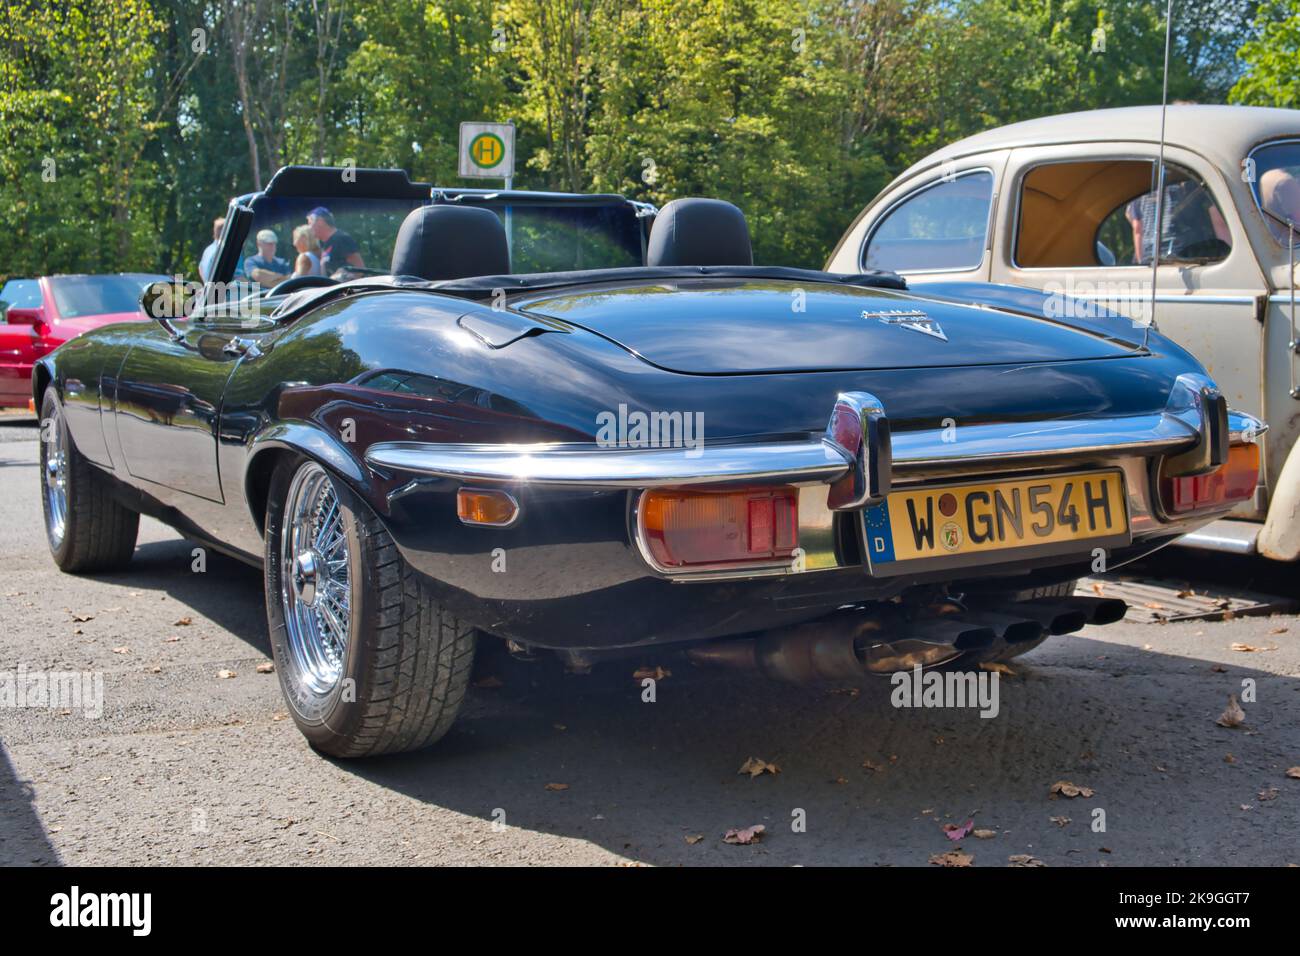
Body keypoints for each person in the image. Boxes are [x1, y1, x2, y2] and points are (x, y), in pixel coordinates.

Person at [308, 207, 364, 275]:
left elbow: (359, 269)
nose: (309, 228)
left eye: (310, 223)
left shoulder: (341, 239)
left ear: (320, 221)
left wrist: (340, 280)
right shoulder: (324, 244)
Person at [198, 217, 225, 282]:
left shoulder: (208, 250)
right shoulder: (226, 250)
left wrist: (206, 284)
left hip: (209, 289)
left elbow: (200, 268)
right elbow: (239, 277)